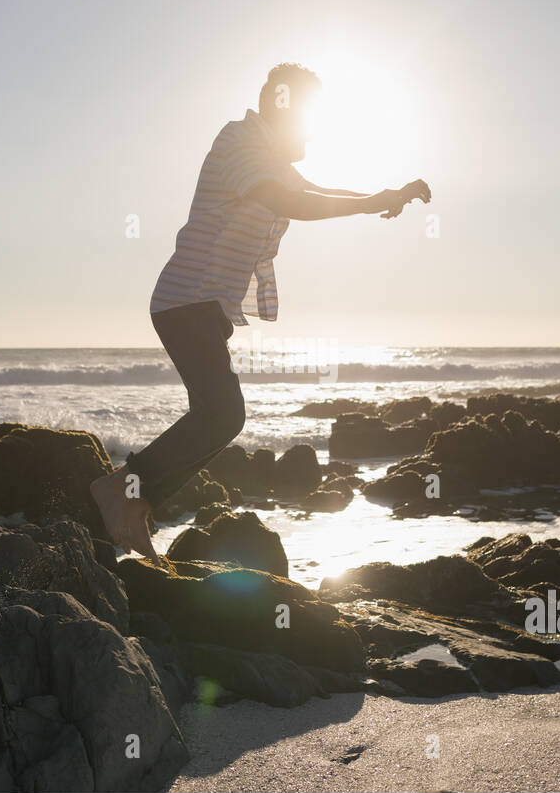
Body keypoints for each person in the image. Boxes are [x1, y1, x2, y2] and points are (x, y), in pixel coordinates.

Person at [90, 63, 430, 557]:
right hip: (186, 302)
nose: (311, 132)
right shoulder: (241, 144)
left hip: (203, 308)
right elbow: (289, 200)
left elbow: (315, 191)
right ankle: (120, 492)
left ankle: (134, 500)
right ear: (280, 106)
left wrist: (382, 196)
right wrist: (369, 202)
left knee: (218, 416)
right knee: (223, 414)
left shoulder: (270, 158)